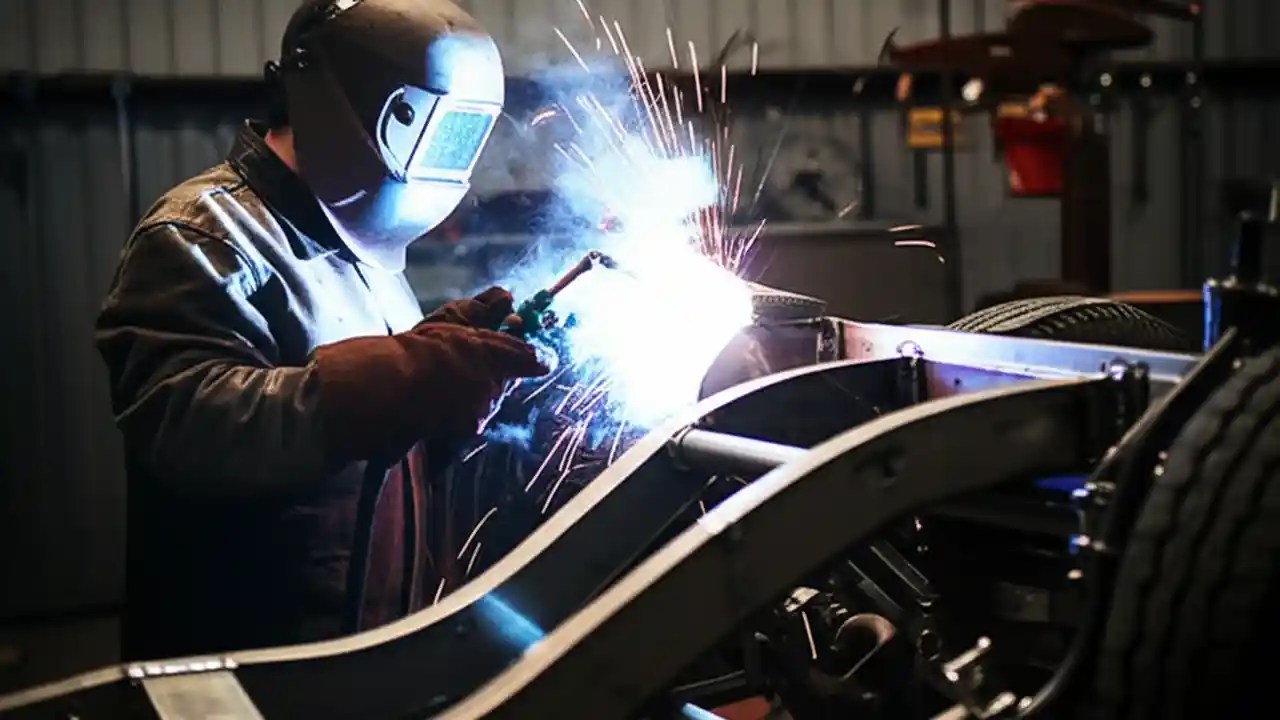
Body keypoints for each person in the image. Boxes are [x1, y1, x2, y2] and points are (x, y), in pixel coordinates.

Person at [94, 0, 547, 661]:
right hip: (251, 672)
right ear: (350, 103)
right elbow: (186, 427)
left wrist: (440, 398)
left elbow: (362, 461)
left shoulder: (361, 248)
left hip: (361, 662)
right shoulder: (202, 236)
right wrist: (399, 377)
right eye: (427, 128)